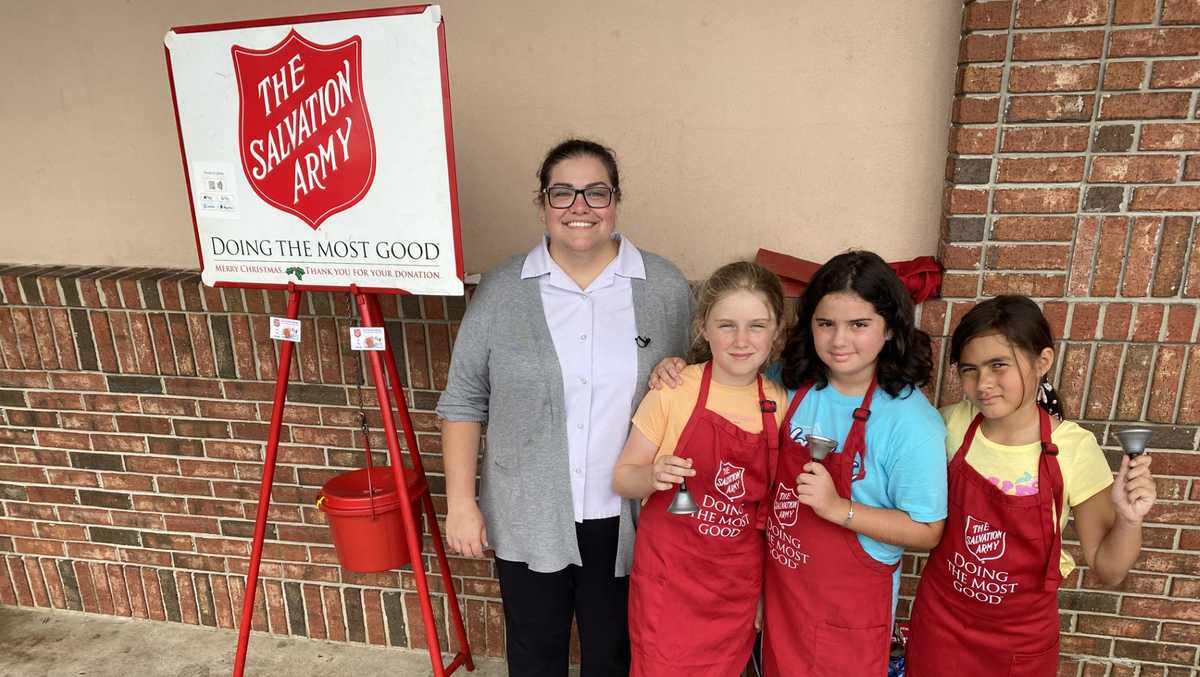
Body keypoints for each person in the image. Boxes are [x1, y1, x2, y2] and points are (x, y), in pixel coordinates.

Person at [436, 139, 691, 677]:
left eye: (596, 192)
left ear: (616, 199)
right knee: (534, 654)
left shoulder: (663, 286)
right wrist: (461, 503)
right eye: (563, 193)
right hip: (528, 512)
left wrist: (676, 375)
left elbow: (693, 386)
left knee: (616, 655)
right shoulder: (504, 289)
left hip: (628, 516)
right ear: (543, 203)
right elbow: (463, 398)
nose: (580, 206)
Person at [652, 250, 948, 675]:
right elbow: (724, 377)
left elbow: (928, 530)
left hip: (847, 617)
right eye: (825, 324)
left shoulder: (911, 422)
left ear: (889, 328)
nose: (839, 341)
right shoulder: (789, 384)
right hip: (780, 596)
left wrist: (837, 509)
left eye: (859, 324)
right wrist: (674, 369)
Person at [905, 295, 1157, 676]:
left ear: (1043, 361)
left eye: (998, 365)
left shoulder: (1074, 449)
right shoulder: (947, 426)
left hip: (1019, 645)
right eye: (970, 370)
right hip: (941, 628)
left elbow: (1109, 569)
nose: (983, 384)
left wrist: (1129, 519)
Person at [612, 261, 789, 676]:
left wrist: (763, 592)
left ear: (777, 332)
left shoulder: (780, 404)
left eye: (757, 326)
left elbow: (774, 513)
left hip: (734, 588)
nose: (741, 340)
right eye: (726, 325)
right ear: (703, 327)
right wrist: (652, 474)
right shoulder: (674, 391)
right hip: (668, 585)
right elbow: (622, 477)